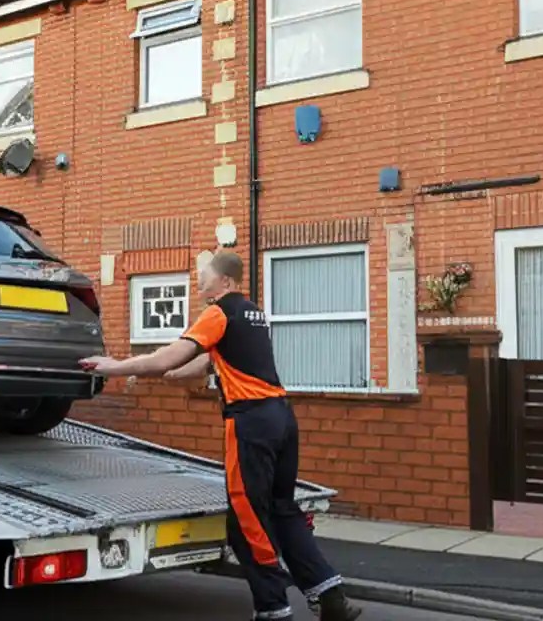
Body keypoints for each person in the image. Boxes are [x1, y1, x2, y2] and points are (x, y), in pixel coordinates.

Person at [80, 251, 361, 621]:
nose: (198, 280)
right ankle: (329, 593)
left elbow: (170, 356)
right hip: (281, 419)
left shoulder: (218, 311)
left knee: (246, 520)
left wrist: (115, 366)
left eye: (204, 274)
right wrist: (160, 374)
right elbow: (200, 362)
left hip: (252, 423)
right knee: (281, 509)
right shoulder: (252, 313)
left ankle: (273, 607)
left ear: (225, 281)